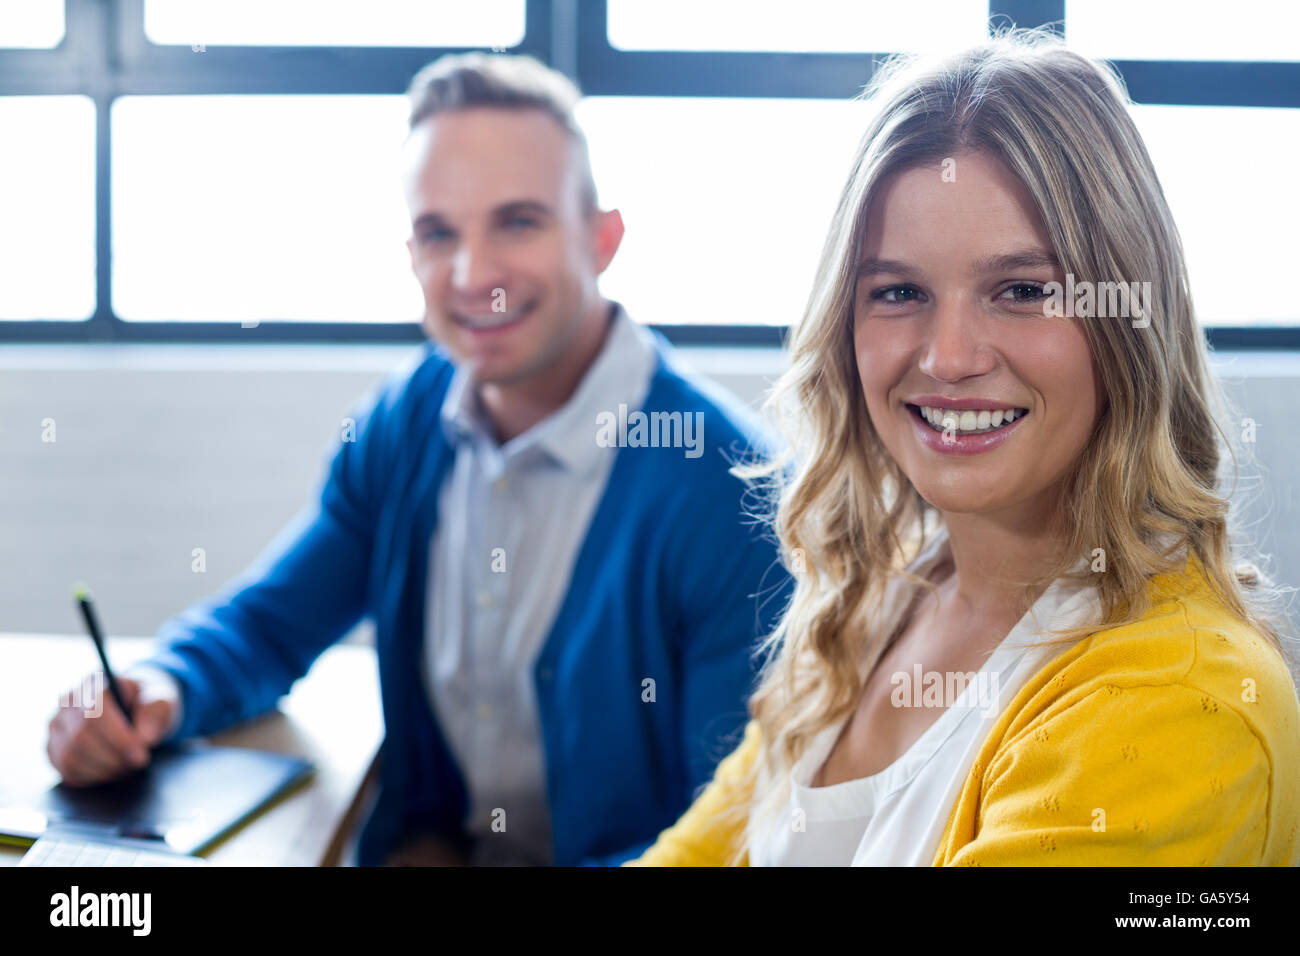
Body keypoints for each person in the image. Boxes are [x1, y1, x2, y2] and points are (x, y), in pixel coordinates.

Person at [46, 52, 791, 867]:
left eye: (517, 221)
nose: (476, 276)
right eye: (440, 233)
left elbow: (733, 840)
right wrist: (157, 690)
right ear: (410, 255)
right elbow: (268, 624)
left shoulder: (734, 491)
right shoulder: (406, 424)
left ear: (602, 237)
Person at [629, 30, 1300, 867]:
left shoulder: (1180, 700)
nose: (948, 358)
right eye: (898, 291)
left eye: (1021, 291)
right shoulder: (875, 602)